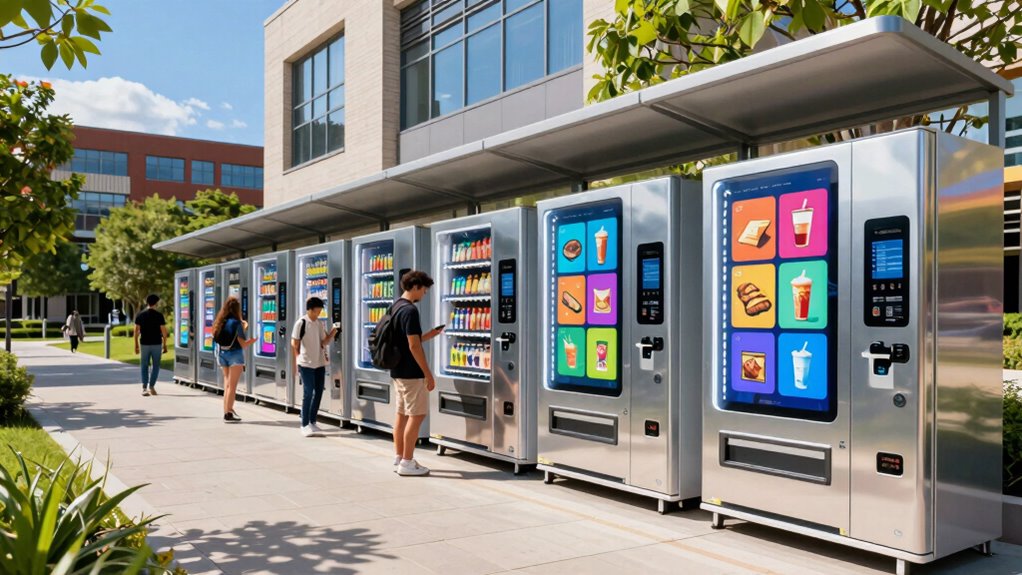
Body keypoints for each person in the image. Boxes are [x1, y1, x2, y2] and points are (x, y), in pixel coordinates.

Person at [389, 270, 443, 476]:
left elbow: (408, 340)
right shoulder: (410, 311)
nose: (425, 294)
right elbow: (413, 346)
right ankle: (408, 463)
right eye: (424, 290)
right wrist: (428, 374)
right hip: (412, 373)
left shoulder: (395, 307)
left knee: (401, 415)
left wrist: (429, 334)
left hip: (398, 371)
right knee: (417, 415)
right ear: (415, 287)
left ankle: (400, 456)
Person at [291, 297, 338, 437]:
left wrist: (333, 331)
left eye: (319, 311)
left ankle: (312, 421)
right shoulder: (301, 323)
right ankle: (304, 424)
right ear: (310, 309)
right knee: (308, 393)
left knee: (318, 392)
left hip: (319, 363)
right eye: (316, 311)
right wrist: (297, 360)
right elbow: (294, 343)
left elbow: (324, 341)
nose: (318, 314)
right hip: (306, 363)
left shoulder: (319, 323)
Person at [212, 296, 256, 423]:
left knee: (227, 384)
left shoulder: (220, 321)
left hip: (221, 354)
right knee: (232, 386)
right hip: (235, 355)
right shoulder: (237, 323)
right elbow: (242, 343)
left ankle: (227, 410)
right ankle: (229, 412)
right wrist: (252, 340)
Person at [134, 294, 168, 397]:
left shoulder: (140, 315)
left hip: (144, 343)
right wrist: (165, 344)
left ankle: (144, 388)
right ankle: (152, 386)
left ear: (147, 303)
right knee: (156, 366)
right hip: (157, 344)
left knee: (144, 365)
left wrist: (136, 345)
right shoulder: (159, 315)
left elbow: (136, 332)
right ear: (156, 303)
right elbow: (164, 332)